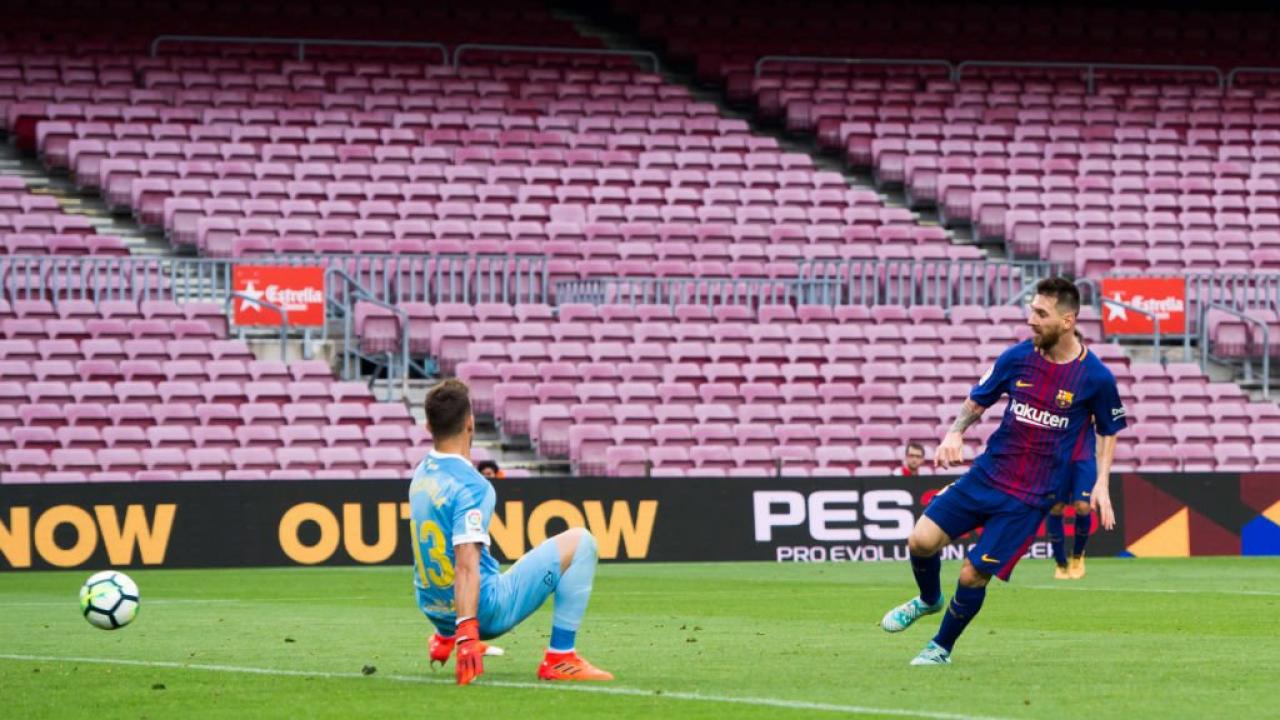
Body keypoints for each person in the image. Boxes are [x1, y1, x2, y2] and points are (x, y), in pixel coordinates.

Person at [879, 277, 1126, 665]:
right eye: (1031, 310)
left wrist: (1102, 483)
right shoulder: (1016, 358)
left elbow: (1108, 429)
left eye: (1041, 313)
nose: (1031, 320)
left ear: (1067, 321)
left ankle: (940, 647)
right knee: (920, 542)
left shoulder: (1095, 377)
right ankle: (928, 599)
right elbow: (978, 400)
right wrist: (954, 433)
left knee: (972, 574)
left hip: (1029, 498)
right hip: (987, 475)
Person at [409, 379, 613, 685]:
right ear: (470, 423)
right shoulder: (472, 486)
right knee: (583, 542)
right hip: (481, 614)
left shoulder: (421, 473)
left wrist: (450, 629)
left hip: (434, 609)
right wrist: (467, 631)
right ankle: (560, 657)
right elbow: (465, 563)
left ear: (428, 426)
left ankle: (443, 636)